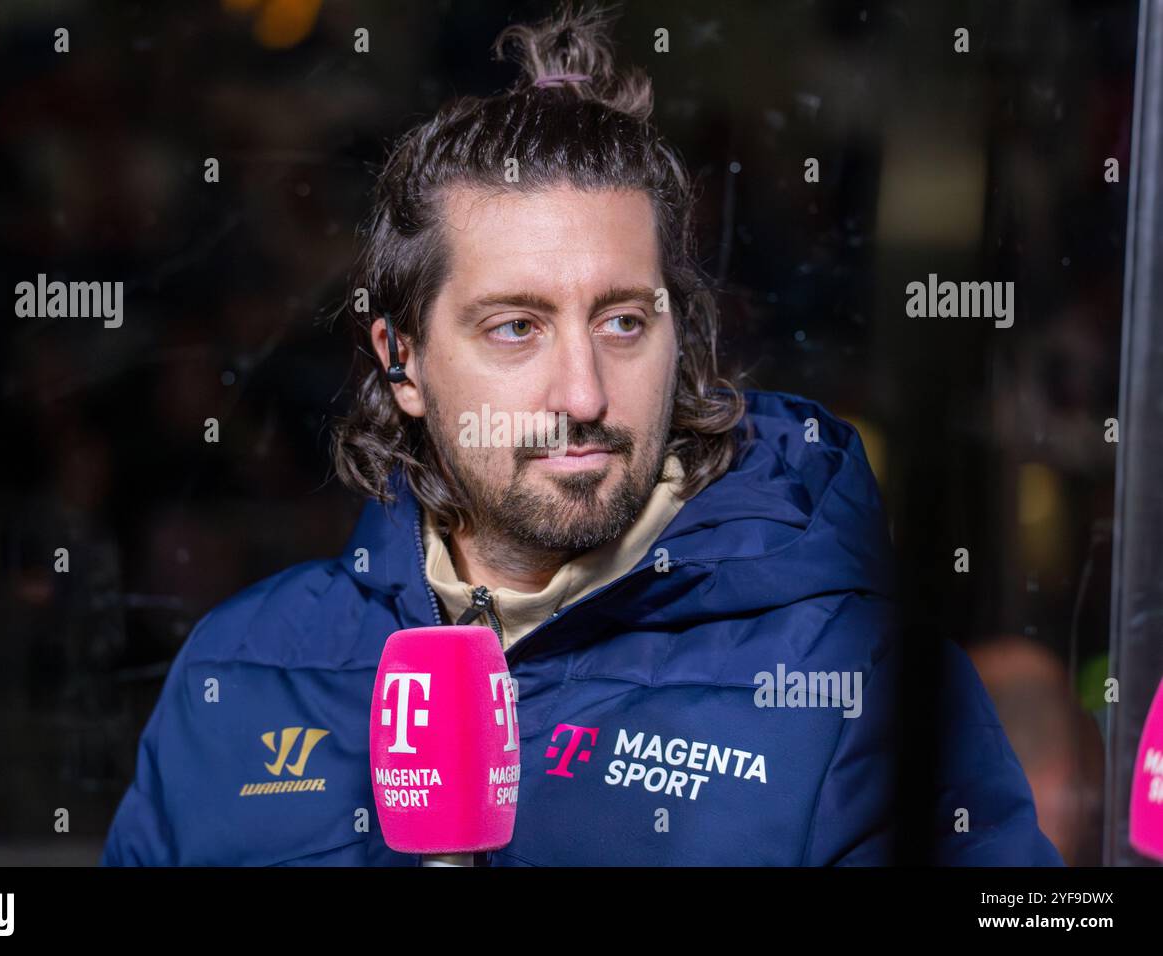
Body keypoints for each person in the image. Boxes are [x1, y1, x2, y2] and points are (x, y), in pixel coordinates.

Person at [101, 3, 1062, 866]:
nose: (583, 392)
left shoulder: (859, 683)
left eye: (622, 323)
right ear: (402, 363)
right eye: (515, 327)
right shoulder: (244, 669)